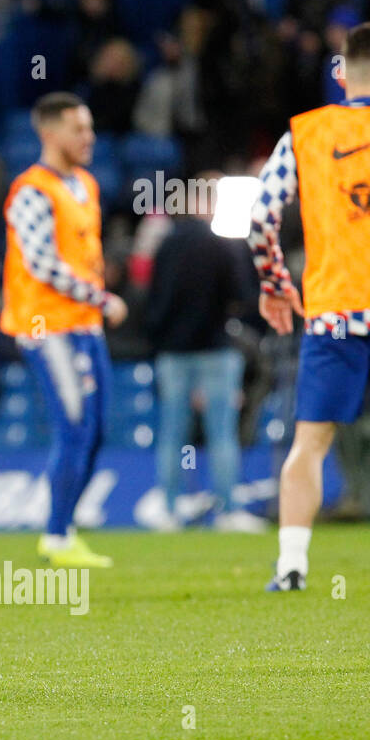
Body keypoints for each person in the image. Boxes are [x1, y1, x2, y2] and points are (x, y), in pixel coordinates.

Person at [247, 21, 370, 592]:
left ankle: (291, 567)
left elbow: (259, 219)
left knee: (311, 441)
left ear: (341, 71)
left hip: (333, 311)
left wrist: (277, 284)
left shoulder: (306, 135)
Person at [0, 92, 127, 568]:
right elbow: (40, 262)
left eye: (89, 127)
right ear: (48, 133)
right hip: (48, 326)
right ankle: (56, 536)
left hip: (84, 326)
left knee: (93, 433)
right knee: (74, 429)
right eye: (78, 128)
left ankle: (65, 529)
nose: (88, 137)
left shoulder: (86, 186)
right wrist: (102, 297)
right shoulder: (32, 190)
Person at [145, 172, 261, 532]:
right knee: (221, 433)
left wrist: (163, 338)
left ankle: (168, 508)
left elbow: (152, 300)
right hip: (215, 350)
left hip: (173, 352)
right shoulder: (223, 245)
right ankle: (226, 511)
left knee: (172, 434)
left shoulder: (166, 244)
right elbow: (243, 297)